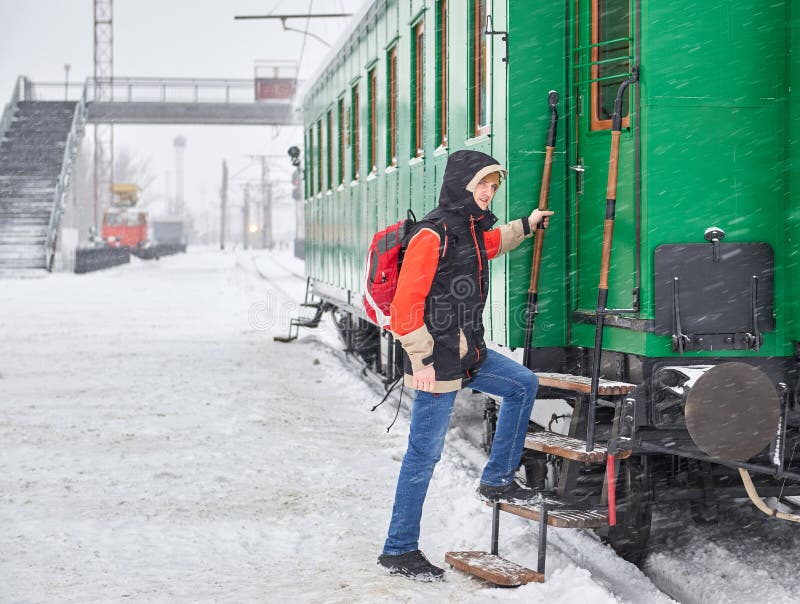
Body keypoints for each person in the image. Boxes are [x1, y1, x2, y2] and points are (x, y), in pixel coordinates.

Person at [377, 150, 554, 581]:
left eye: (493, 187)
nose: (489, 194)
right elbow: (404, 308)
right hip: (436, 361)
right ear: (462, 185)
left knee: (521, 385)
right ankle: (398, 549)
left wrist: (526, 226)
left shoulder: (470, 231)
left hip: (469, 353)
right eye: (482, 186)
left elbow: (492, 244)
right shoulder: (431, 234)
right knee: (424, 455)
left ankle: (496, 478)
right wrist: (420, 360)